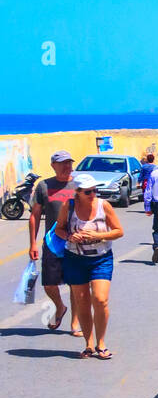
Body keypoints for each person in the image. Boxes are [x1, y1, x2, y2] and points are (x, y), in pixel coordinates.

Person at [56, 173, 123, 359]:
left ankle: (102, 344)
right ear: (77, 192)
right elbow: (59, 229)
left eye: (95, 190)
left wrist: (98, 236)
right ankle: (89, 344)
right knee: (82, 302)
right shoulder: (68, 206)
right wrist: (70, 236)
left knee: (100, 299)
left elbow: (119, 231)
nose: (93, 194)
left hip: (101, 258)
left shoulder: (104, 206)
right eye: (88, 192)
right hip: (75, 259)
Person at [28, 150, 82, 337]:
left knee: (76, 284)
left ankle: (75, 324)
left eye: (69, 162)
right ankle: (60, 307)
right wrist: (33, 244)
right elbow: (34, 215)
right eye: (62, 163)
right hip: (52, 242)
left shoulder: (78, 186)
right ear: (53, 165)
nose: (67, 166)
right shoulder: (44, 186)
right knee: (49, 284)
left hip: (75, 241)